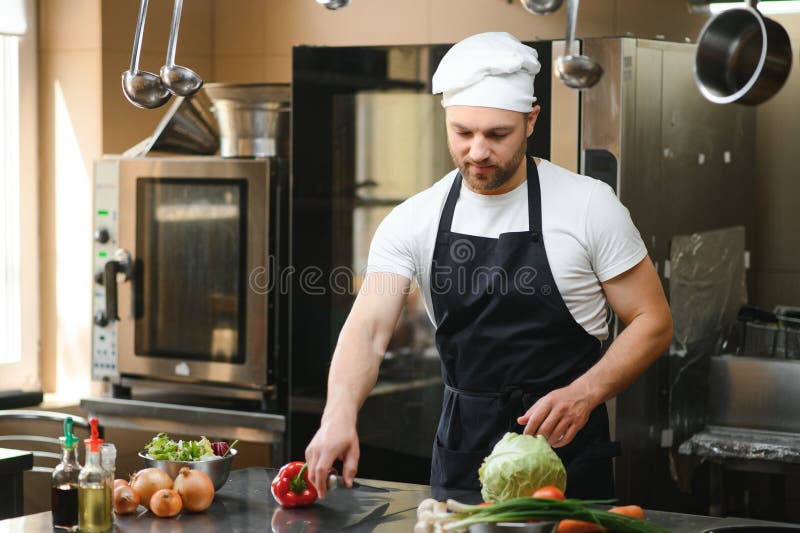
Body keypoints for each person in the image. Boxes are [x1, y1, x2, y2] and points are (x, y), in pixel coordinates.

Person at [304, 31, 673, 499]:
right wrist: (338, 413)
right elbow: (368, 331)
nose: (478, 151)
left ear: (531, 120)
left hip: (567, 455)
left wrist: (586, 392)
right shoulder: (416, 218)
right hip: (464, 457)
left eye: (497, 134)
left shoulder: (588, 206)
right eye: (462, 132)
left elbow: (653, 321)